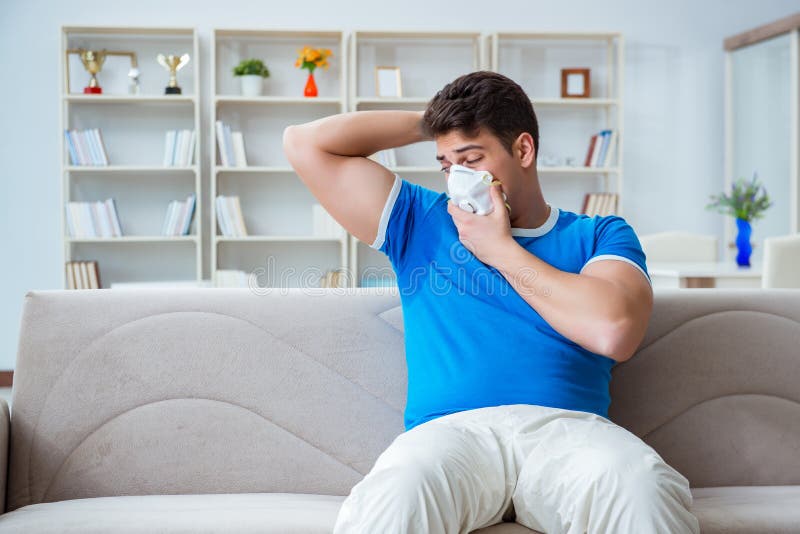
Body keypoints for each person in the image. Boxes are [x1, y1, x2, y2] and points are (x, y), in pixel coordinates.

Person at [282, 71, 700, 534]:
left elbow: (613, 329)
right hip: (450, 436)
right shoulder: (421, 221)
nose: (457, 179)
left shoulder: (598, 235)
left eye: (472, 158)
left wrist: (499, 248)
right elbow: (304, 144)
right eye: (446, 164)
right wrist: (433, 123)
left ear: (523, 150)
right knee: (399, 489)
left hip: (567, 435)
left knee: (639, 484)